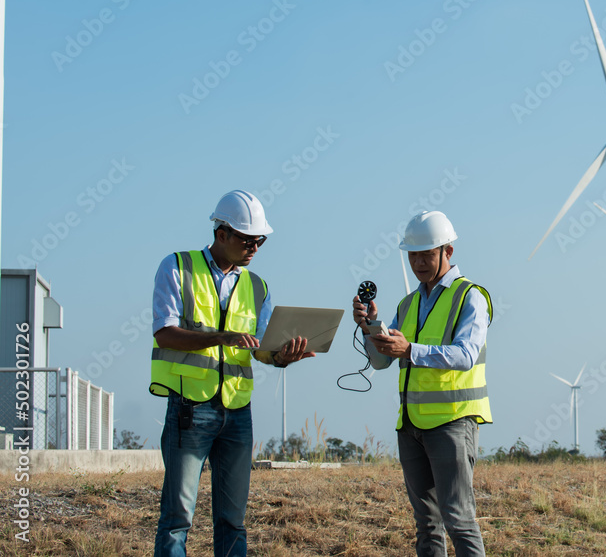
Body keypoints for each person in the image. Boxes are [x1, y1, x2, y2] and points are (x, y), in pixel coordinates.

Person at [150, 189, 314, 557]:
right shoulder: (177, 267)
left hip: (238, 412)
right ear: (221, 233)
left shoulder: (258, 286)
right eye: (247, 239)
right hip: (189, 409)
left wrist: (283, 357)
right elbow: (164, 331)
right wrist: (221, 337)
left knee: (233, 521)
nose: (255, 247)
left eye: (261, 241)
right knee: (178, 518)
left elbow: (262, 351)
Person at [352, 210, 493, 557]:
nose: (417, 263)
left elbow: (465, 355)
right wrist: (370, 329)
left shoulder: (470, 297)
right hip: (411, 426)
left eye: (426, 254)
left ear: (448, 251)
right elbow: (383, 362)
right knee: (426, 525)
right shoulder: (408, 303)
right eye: (412, 255)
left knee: (458, 520)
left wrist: (410, 349)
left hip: (452, 423)